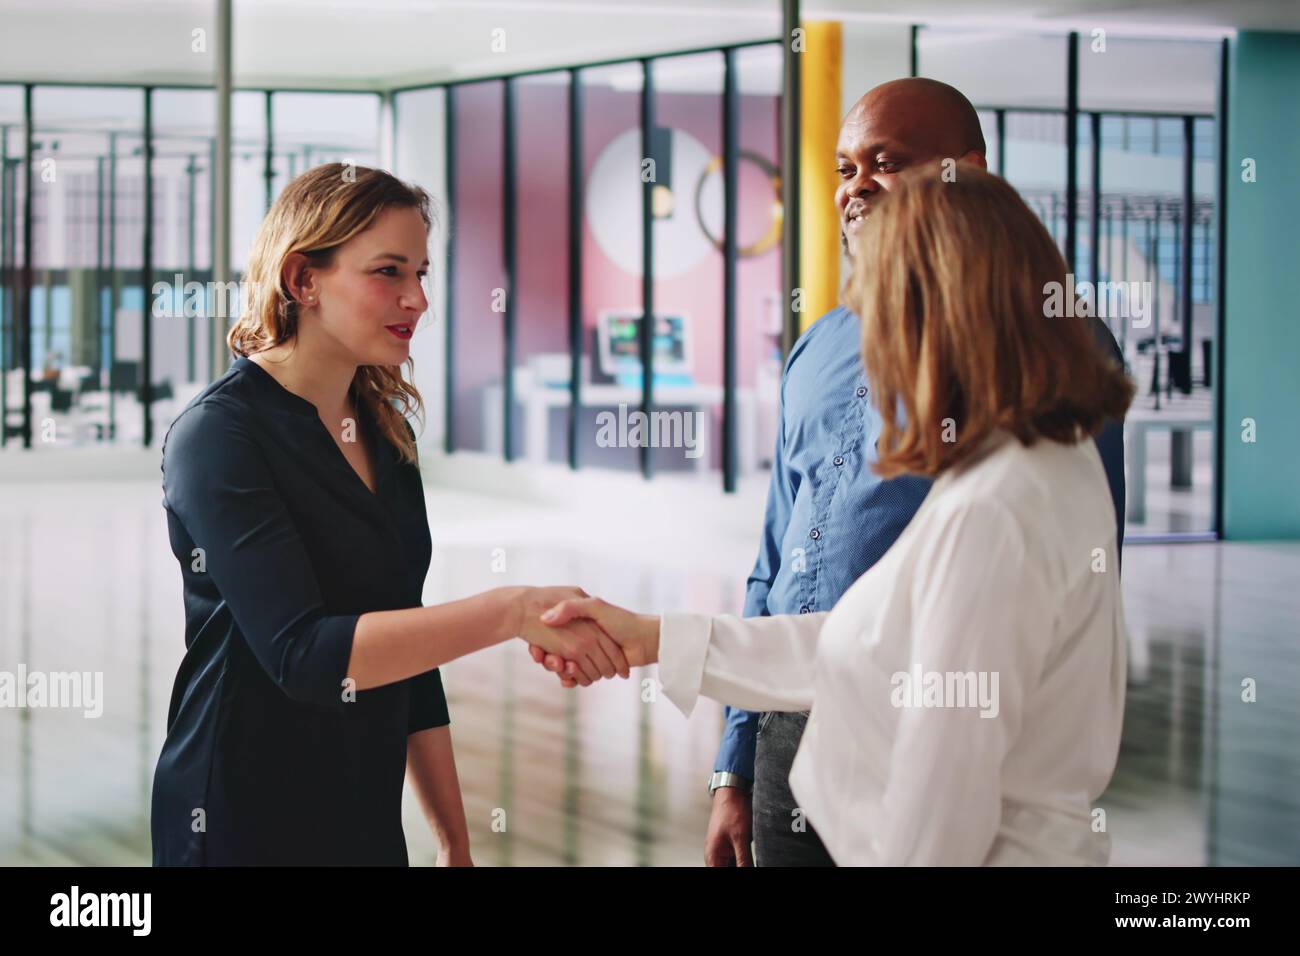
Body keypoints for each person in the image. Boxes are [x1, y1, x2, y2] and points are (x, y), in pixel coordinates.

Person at [531, 163, 1136, 866]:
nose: (871, 346)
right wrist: (653, 638)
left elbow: (937, 818)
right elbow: (872, 642)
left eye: (876, 309)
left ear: (939, 316)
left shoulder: (993, 513)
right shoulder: (1044, 461)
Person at [152, 163, 628, 866]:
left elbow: (407, 640)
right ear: (302, 280)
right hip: (236, 819)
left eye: (423, 273)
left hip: (362, 819)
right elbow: (304, 655)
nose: (417, 299)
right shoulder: (220, 437)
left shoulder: (383, 430)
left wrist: (452, 839)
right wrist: (508, 610)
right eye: (389, 272)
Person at [705, 77, 1128, 866]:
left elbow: (1076, 583)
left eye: (885, 161)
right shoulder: (816, 348)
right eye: (843, 168)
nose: (855, 186)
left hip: (930, 731)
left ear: (967, 172)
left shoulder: (1049, 349)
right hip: (786, 728)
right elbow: (775, 563)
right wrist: (734, 761)